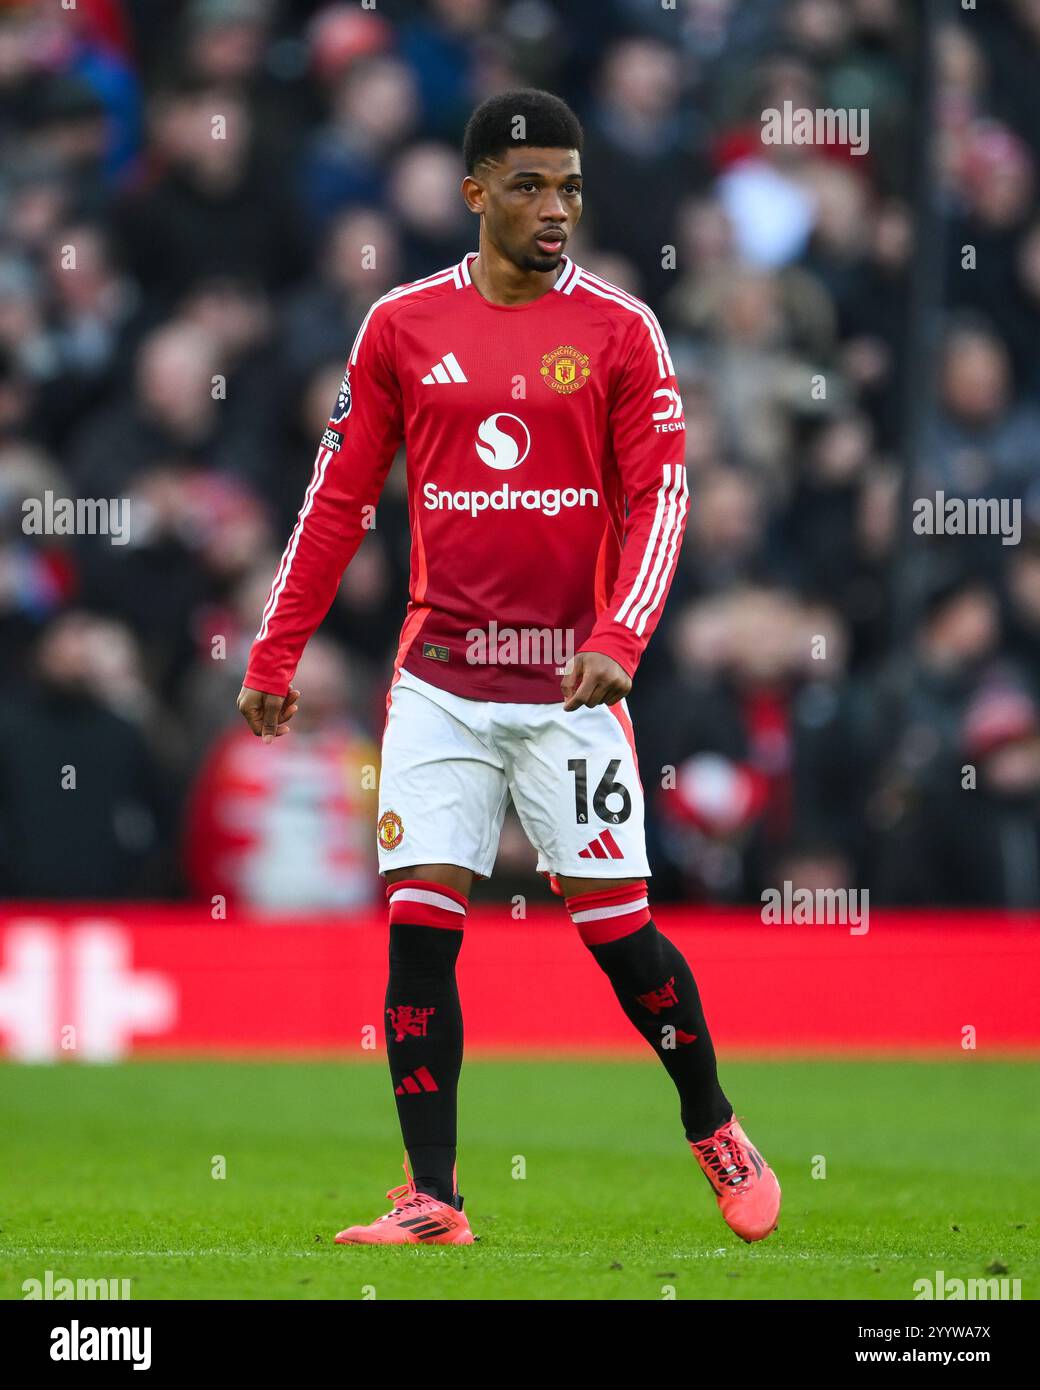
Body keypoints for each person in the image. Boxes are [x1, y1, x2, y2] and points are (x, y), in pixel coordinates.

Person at [235, 89, 781, 1246]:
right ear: (474, 189)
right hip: (437, 680)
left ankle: (713, 1123)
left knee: (616, 931)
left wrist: (617, 637)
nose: (555, 209)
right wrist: (277, 647)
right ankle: (434, 1197)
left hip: (568, 687)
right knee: (420, 924)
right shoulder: (399, 326)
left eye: (570, 187)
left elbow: (660, 502)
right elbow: (337, 500)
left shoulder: (623, 331)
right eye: (529, 185)